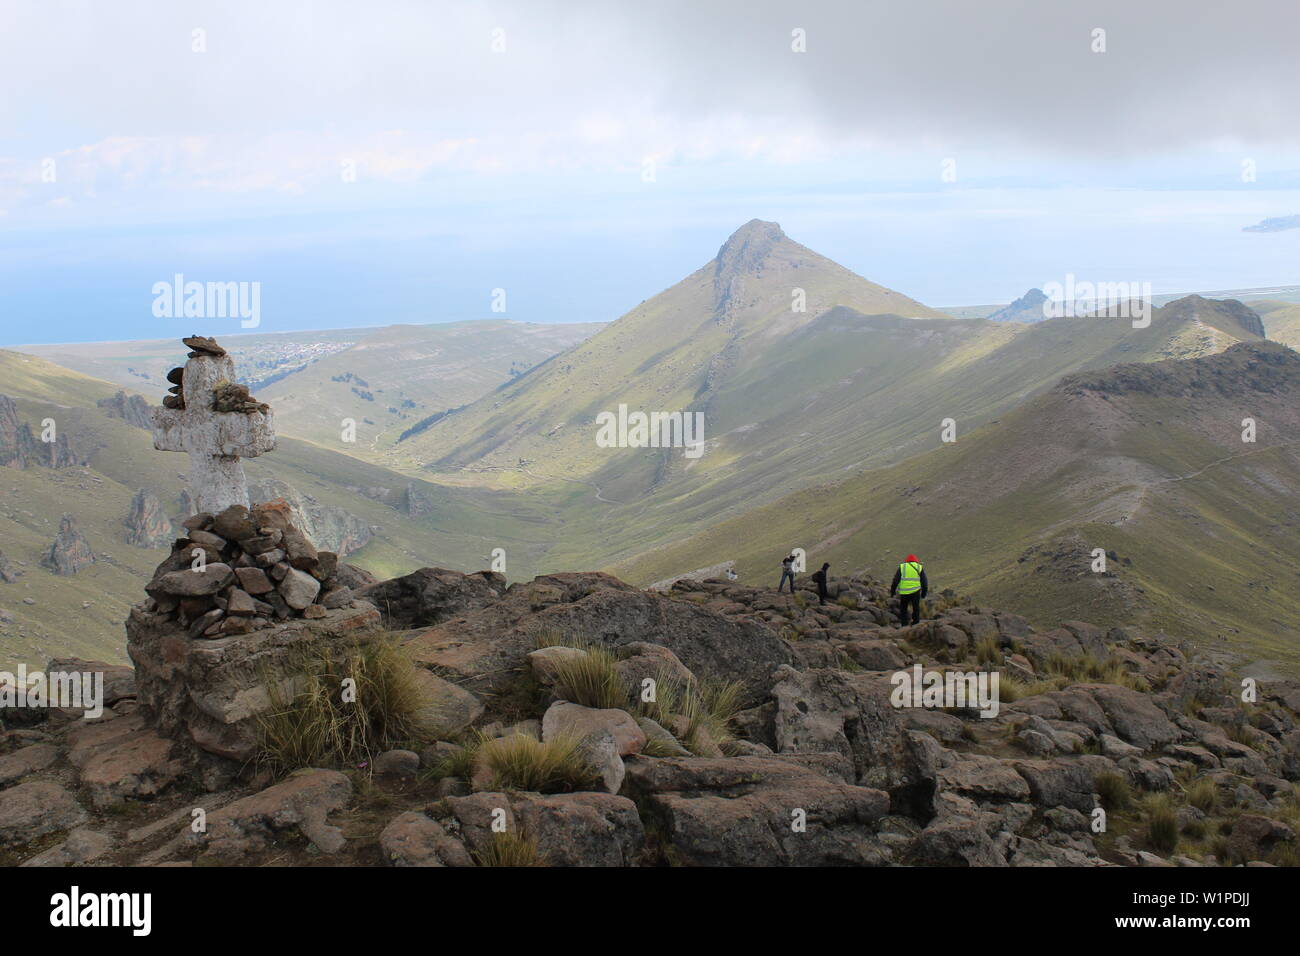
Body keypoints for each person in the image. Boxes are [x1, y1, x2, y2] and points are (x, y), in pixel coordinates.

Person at [890, 553, 928, 625]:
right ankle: (915, 624)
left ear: (906, 561)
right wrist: (923, 594)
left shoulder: (902, 567)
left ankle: (904, 625)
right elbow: (924, 582)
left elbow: (895, 580)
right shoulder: (919, 567)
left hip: (904, 592)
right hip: (916, 592)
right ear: (916, 560)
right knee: (916, 608)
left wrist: (892, 592)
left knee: (903, 609)